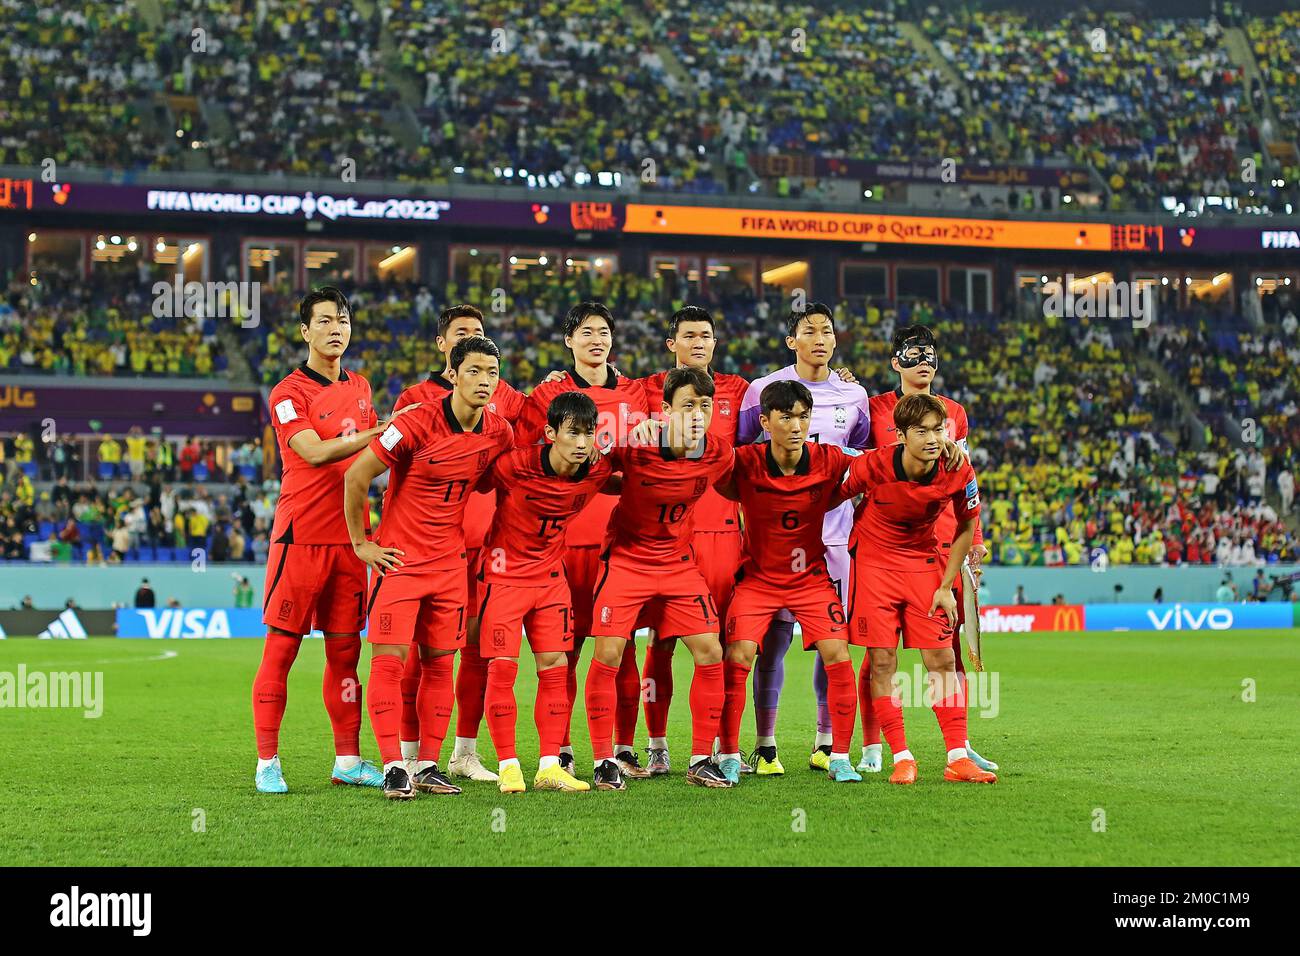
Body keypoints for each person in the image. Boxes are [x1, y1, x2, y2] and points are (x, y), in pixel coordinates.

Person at [250, 287, 407, 795]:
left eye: (342, 320)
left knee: (345, 657)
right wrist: (380, 431)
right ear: (305, 331)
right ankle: (267, 762)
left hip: (350, 542)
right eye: (324, 321)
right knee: (281, 653)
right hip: (300, 541)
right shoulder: (287, 393)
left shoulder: (360, 385)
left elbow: (366, 464)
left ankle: (347, 759)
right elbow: (315, 454)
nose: (335, 328)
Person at [344, 336, 513, 799]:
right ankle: (394, 765)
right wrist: (363, 544)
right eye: (474, 371)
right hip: (400, 561)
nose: (484, 380)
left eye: (492, 373)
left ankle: (427, 765)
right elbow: (356, 476)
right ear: (453, 374)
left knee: (441, 664)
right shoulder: (415, 423)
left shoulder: (499, 431)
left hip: (449, 566)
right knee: (389, 662)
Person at [388, 305, 528, 784]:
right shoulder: (414, 400)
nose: (472, 338)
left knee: (473, 651)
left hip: (485, 544)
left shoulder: (502, 396)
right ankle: (408, 757)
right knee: (413, 655)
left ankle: (463, 753)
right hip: (424, 546)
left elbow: (539, 430)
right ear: (442, 345)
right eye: (461, 333)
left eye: (480, 333)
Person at [516, 302, 650, 780]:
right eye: (586, 332)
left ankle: (624, 747)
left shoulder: (639, 393)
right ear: (568, 340)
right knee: (563, 649)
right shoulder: (549, 394)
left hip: (623, 538)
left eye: (604, 331)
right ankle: (563, 748)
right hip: (564, 538)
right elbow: (527, 455)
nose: (597, 339)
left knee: (623, 647)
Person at [736, 303, 871, 776]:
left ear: (835, 340)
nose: (819, 338)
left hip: (835, 540)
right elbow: (741, 453)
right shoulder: (762, 390)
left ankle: (825, 742)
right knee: (770, 642)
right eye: (808, 331)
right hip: (772, 541)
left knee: (832, 642)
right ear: (791, 340)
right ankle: (765, 745)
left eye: (827, 331)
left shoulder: (855, 395)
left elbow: (863, 458)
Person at [586, 366, 735, 790]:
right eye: (687, 405)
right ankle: (604, 760)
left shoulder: (719, 452)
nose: (697, 415)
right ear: (666, 409)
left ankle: (701, 758)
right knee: (610, 652)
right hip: (628, 560)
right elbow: (593, 461)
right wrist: (625, 439)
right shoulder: (636, 447)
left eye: (705, 406)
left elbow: (741, 484)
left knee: (710, 650)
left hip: (677, 564)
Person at [859, 324, 995, 775]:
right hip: (879, 542)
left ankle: (959, 747)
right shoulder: (871, 406)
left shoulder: (955, 411)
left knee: (945, 647)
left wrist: (973, 540)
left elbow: (965, 480)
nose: (924, 361)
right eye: (913, 353)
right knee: (878, 651)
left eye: (930, 354)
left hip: (936, 542)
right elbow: (851, 462)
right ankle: (873, 745)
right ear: (895, 362)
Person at [714, 380, 862, 784]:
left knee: (838, 653)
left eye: (803, 416)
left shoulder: (829, 458)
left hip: (810, 578)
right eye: (786, 417)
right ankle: (728, 754)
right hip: (758, 579)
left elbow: (875, 462)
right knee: (738, 656)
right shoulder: (744, 461)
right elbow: (706, 463)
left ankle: (840, 756)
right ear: (765, 421)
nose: (796, 425)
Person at [476, 392, 613, 794]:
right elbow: (469, 478)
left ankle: (550, 765)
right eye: (573, 433)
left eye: (589, 434)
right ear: (551, 433)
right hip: (503, 579)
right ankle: (508, 765)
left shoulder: (596, 470)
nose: (582, 443)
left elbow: (632, 472)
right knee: (502, 670)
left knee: (554, 669)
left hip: (552, 580)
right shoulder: (513, 465)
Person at [633, 306, 750, 775]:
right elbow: (601, 395)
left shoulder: (740, 391)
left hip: (723, 535)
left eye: (706, 336)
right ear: (672, 344)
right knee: (659, 643)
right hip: (668, 537)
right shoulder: (646, 389)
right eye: (689, 336)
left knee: (721, 644)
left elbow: (771, 434)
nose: (698, 343)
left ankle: (724, 748)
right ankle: (657, 747)